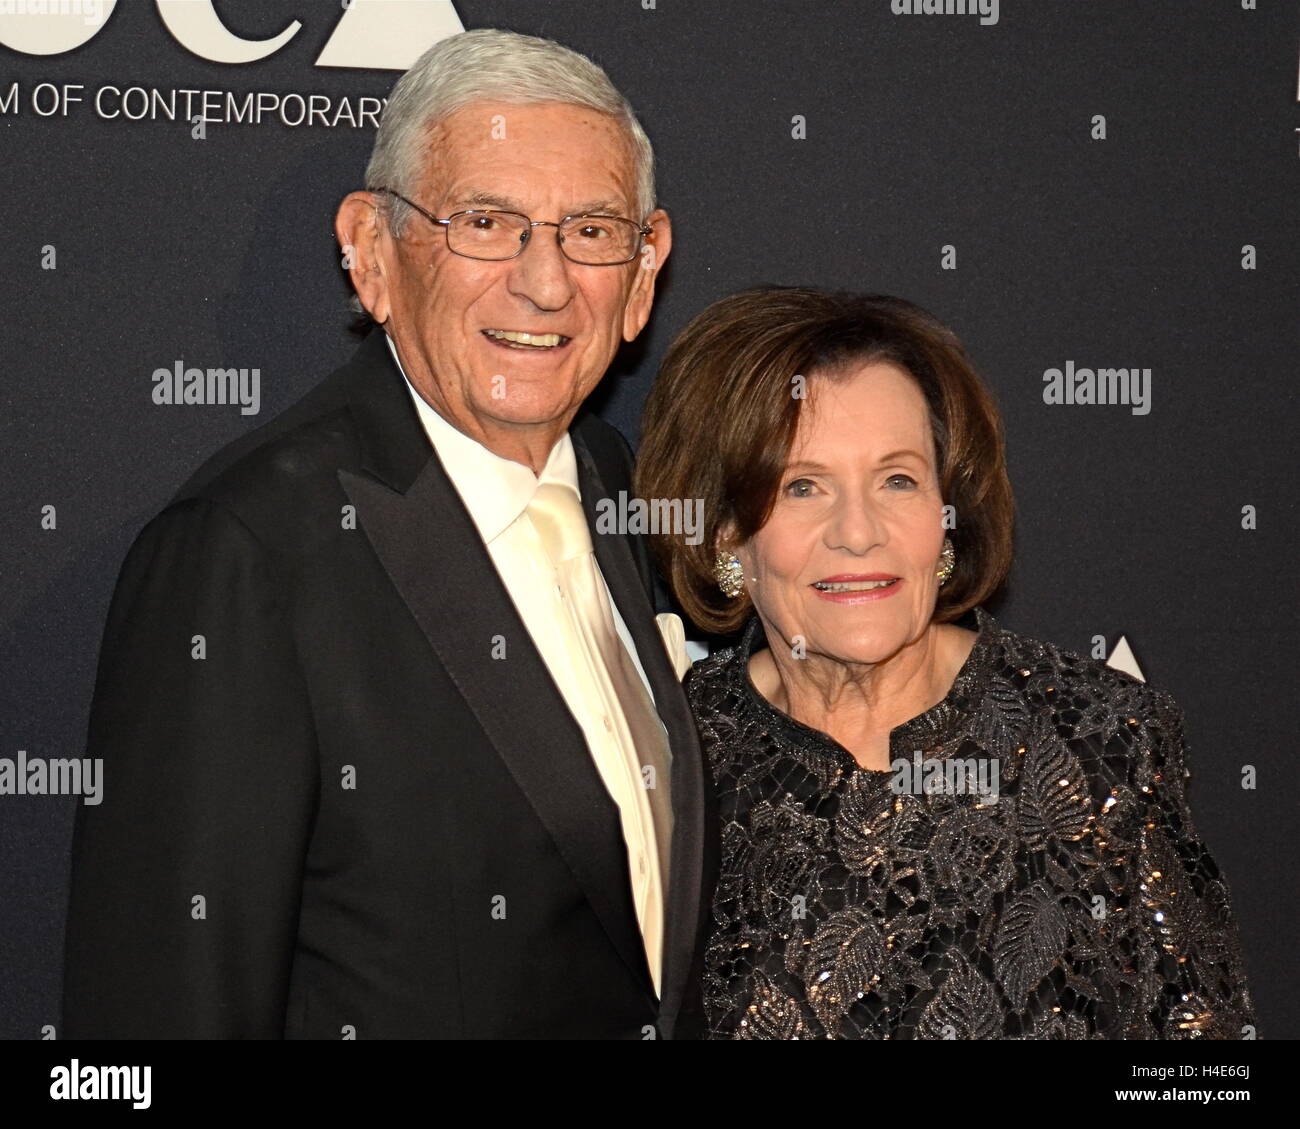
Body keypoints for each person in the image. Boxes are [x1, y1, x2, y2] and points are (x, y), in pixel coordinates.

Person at [63, 29, 717, 1040]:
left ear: (643, 273)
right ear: (372, 254)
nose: (544, 283)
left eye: (590, 231)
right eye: (486, 223)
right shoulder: (245, 552)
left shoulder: (625, 496)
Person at [636, 286, 1257, 1039]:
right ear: (727, 532)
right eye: (803, 486)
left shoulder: (1103, 740)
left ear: (947, 514)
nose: (858, 532)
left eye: (898, 479)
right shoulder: (670, 769)